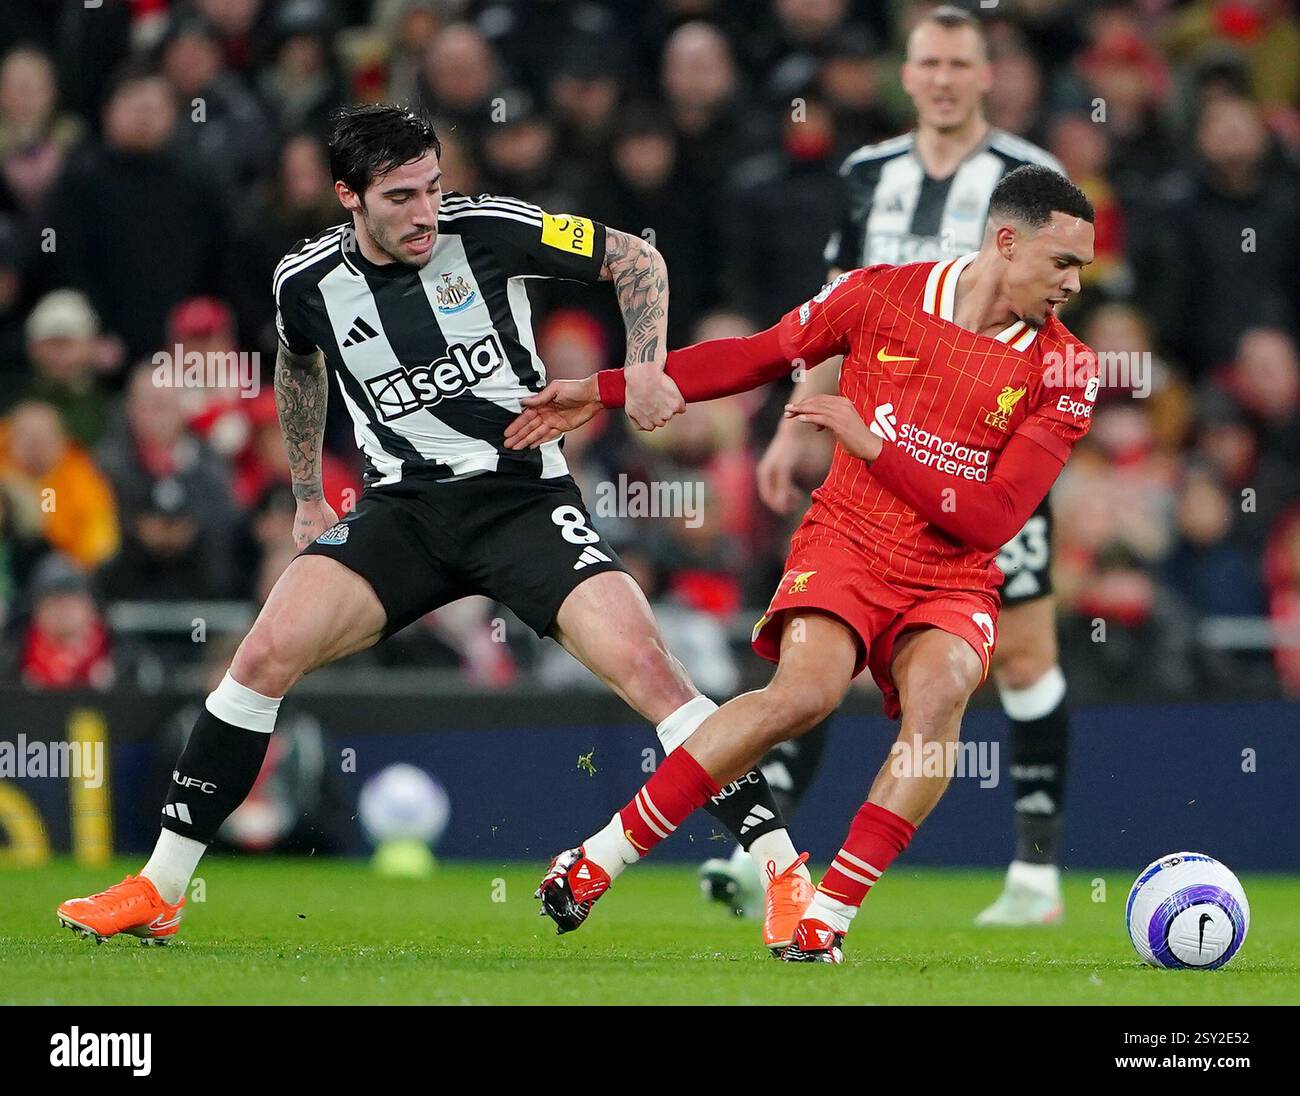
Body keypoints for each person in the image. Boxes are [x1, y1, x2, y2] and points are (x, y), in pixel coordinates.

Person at [56, 104, 811, 952]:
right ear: (349, 196)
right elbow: (298, 365)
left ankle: (786, 876)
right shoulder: (304, 282)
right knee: (262, 657)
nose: (426, 214)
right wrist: (307, 491)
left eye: (433, 189)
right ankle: (160, 887)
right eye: (402, 197)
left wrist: (641, 368)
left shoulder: (489, 228)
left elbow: (637, 258)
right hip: (404, 511)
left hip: (522, 499)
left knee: (650, 671)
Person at [512, 165, 1098, 962]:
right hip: (850, 539)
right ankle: (598, 859)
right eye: (1062, 263)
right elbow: (757, 356)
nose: (1073, 285)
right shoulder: (878, 294)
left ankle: (829, 915)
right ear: (1006, 240)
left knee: (942, 698)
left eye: (1082, 270)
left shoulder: (1068, 368)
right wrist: (611, 388)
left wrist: (874, 446)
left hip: (953, 570)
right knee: (800, 697)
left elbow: (995, 515)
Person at [719, 5, 1078, 926]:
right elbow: (836, 311)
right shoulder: (864, 173)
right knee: (823, 642)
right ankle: (780, 858)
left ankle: (1034, 870)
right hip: (874, 445)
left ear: (985, 74)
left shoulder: (1029, 179)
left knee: (1019, 655)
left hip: (982, 449)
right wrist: (794, 428)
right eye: (931, 62)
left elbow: (1057, 317)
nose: (947, 78)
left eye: (963, 61)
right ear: (907, 75)